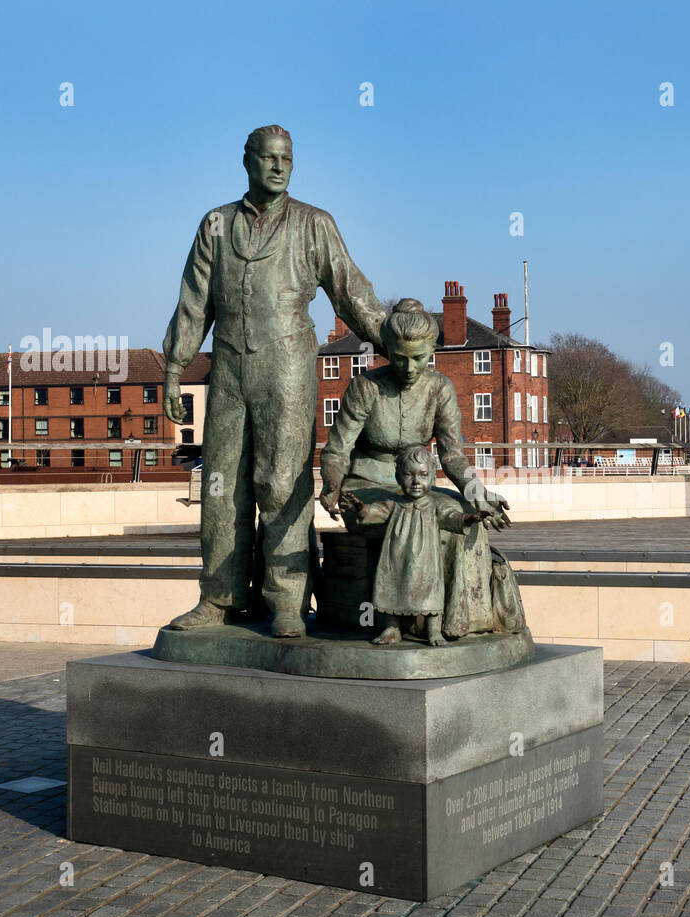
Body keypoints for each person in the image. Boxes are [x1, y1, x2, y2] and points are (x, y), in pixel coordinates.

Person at [161, 125, 385, 637]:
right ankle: (219, 598)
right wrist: (174, 370)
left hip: (286, 365)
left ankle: (287, 601)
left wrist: (397, 342)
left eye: (287, 158)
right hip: (229, 370)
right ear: (247, 162)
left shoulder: (313, 223)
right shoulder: (215, 224)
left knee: (284, 484)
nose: (279, 167)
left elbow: (351, 290)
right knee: (222, 487)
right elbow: (194, 303)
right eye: (268, 158)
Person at [319, 298, 509, 638]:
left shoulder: (440, 389)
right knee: (401, 521)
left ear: (432, 350)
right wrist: (333, 485)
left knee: (465, 518)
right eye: (400, 358)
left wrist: (479, 495)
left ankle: (459, 620)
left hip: (417, 486)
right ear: (387, 350)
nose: (409, 368)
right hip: (366, 486)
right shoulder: (366, 388)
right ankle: (402, 623)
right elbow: (337, 449)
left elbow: (453, 457)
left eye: (419, 358)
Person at [340, 445, 484, 645]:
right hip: (396, 558)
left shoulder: (434, 505)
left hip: (426, 561)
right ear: (399, 478)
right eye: (409, 475)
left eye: (423, 475)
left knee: (431, 593)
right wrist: (361, 508)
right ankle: (392, 629)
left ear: (433, 478)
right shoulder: (394, 504)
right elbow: (375, 512)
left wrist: (469, 518)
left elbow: (451, 517)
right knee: (391, 588)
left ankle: (434, 631)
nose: (416, 481)